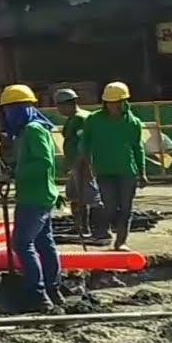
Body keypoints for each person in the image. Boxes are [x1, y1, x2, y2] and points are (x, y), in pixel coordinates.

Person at [0, 84, 63, 312]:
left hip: (34, 196)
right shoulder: (27, 132)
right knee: (45, 243)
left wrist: (14, 174)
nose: (7, 116)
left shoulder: (33, 130)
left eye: (9, 110)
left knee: (22, 243)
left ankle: (38, 293)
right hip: (38, 193)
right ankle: (53, 289)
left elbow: (44, 162)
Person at [79, 81, 146, 250]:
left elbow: (138, 148)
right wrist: (84, 166)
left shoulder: (133, 122)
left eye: (117, 102)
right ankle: (103, 231)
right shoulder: (94, 120)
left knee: (125, 208)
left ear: (125, 102)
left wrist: (142, 172)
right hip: (104, 171)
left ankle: (121, 241)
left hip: (127, 172)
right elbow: (84, 144)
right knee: (108, 206)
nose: (113, 106)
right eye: (110, 103)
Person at [54, 89, 109, 243]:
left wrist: (84, 164)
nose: (58, 109)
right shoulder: (73, 118)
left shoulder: (80, 119)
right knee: (74, 196)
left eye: (60, 106)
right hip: (75, 164)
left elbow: (85, 144)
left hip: (84, 164)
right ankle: (80, 226)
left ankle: (102, 231)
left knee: (91, 197)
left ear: (68, 104)